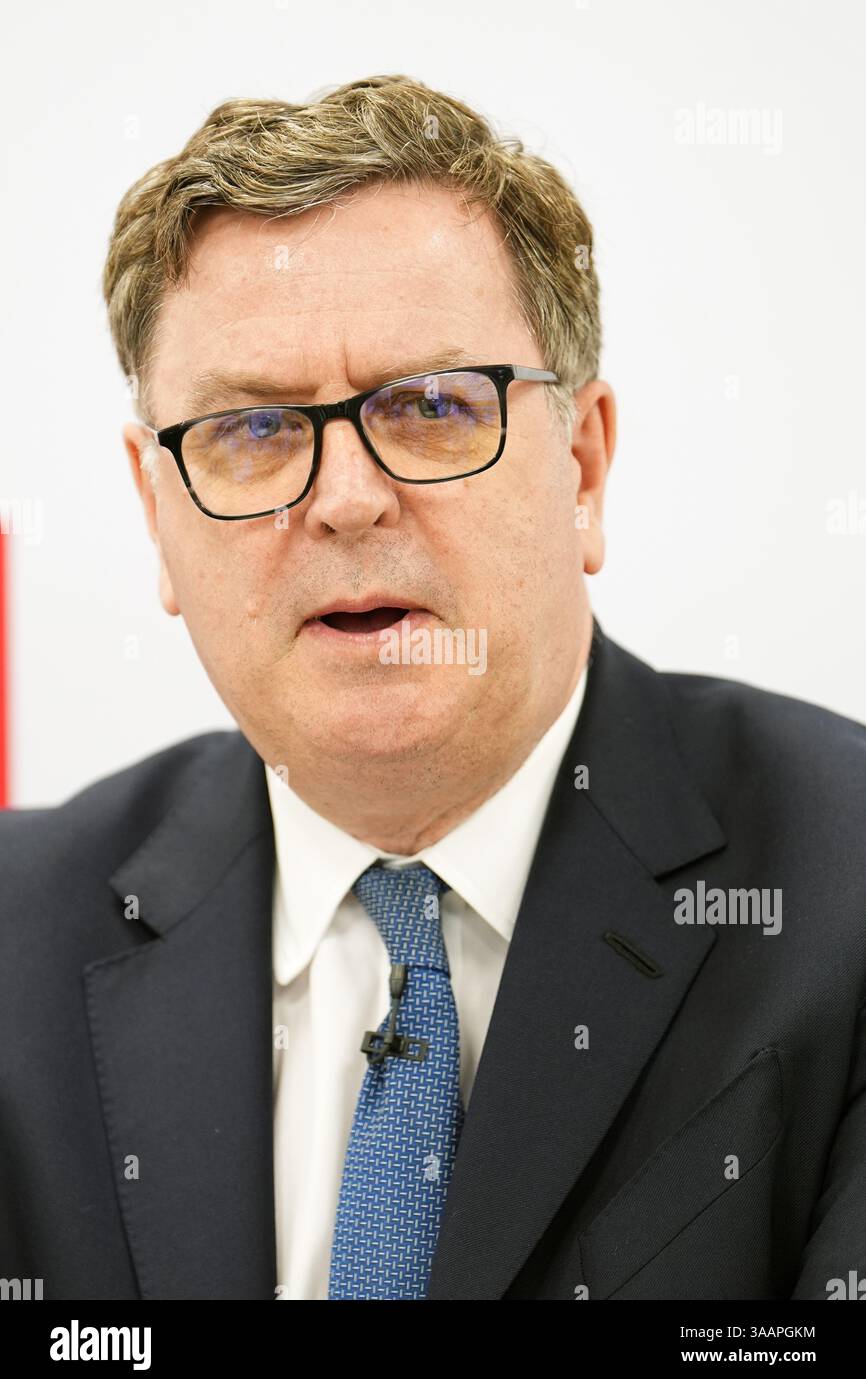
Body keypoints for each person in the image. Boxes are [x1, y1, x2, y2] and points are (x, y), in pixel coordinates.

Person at [1, 73, 864, 1302]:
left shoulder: (839, 888)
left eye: (431, 408)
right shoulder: (15, 942)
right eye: (252, 430)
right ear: (158, 513)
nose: (345, 499)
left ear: (581, 465)